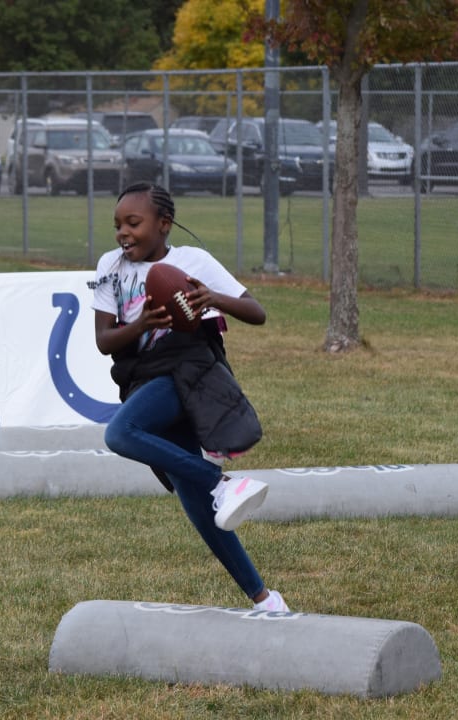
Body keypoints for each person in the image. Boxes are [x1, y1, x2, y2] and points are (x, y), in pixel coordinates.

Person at [92, 182, 287, 612]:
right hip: (142, 379)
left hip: (188, 373)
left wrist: (211, 297)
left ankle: (221, 481)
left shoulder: (191, 261)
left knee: (120, 433)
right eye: (117, 225)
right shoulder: (111, 266)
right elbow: (104, 341)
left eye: (134, 223)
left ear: (164, 224)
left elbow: (257, 311)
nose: (123, 233)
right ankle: (266, 599)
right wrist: (140, 325)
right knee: (199, 506)